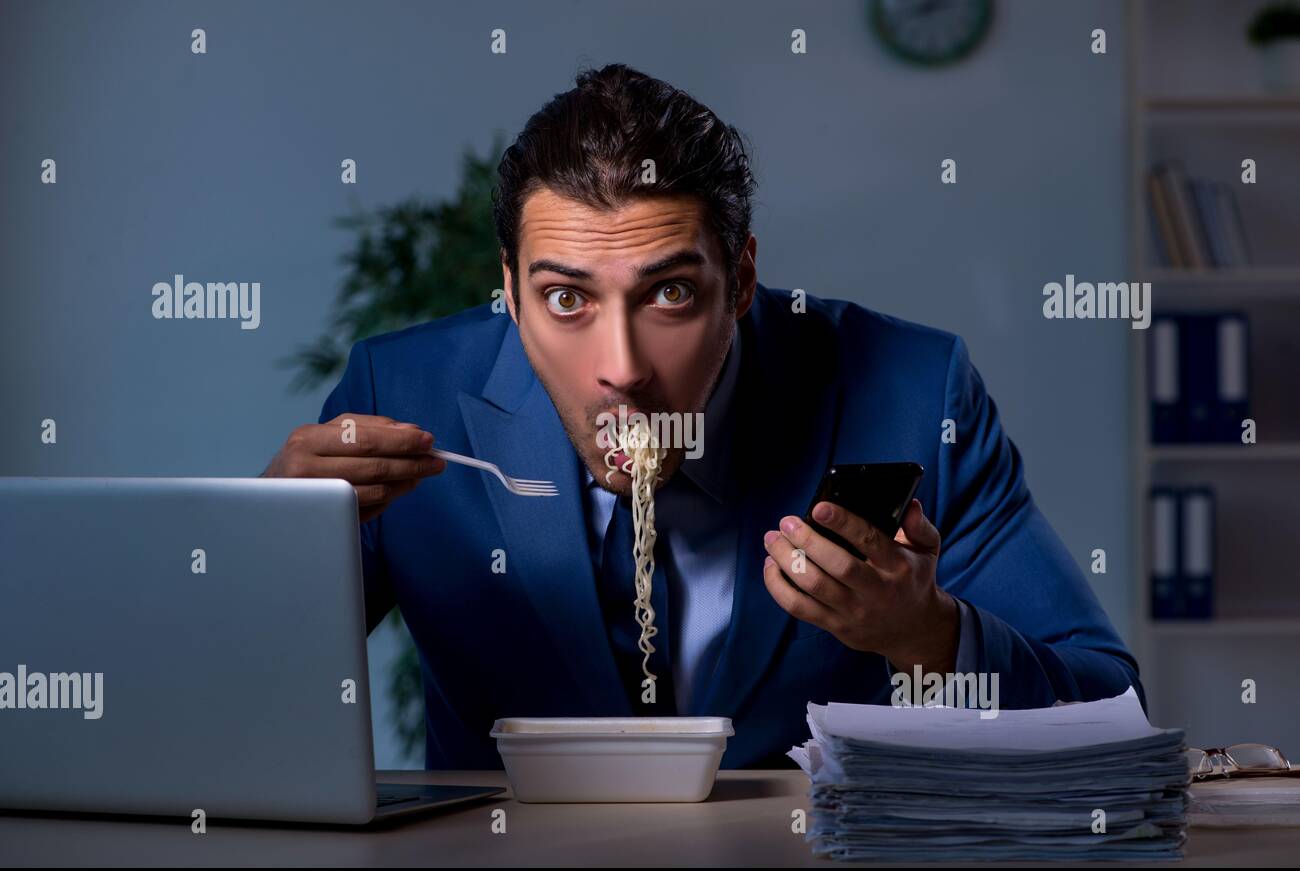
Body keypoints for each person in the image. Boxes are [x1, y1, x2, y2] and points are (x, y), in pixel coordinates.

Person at [262, 63, 1142, 769]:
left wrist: (925, 637)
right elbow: (233, 691)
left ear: (743, 280)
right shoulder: (401, 392)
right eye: (566, 298)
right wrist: (269, 542)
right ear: (508, 292)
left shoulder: (913, 393)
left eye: (670, 293)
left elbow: (1109, 718)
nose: (622, 369)